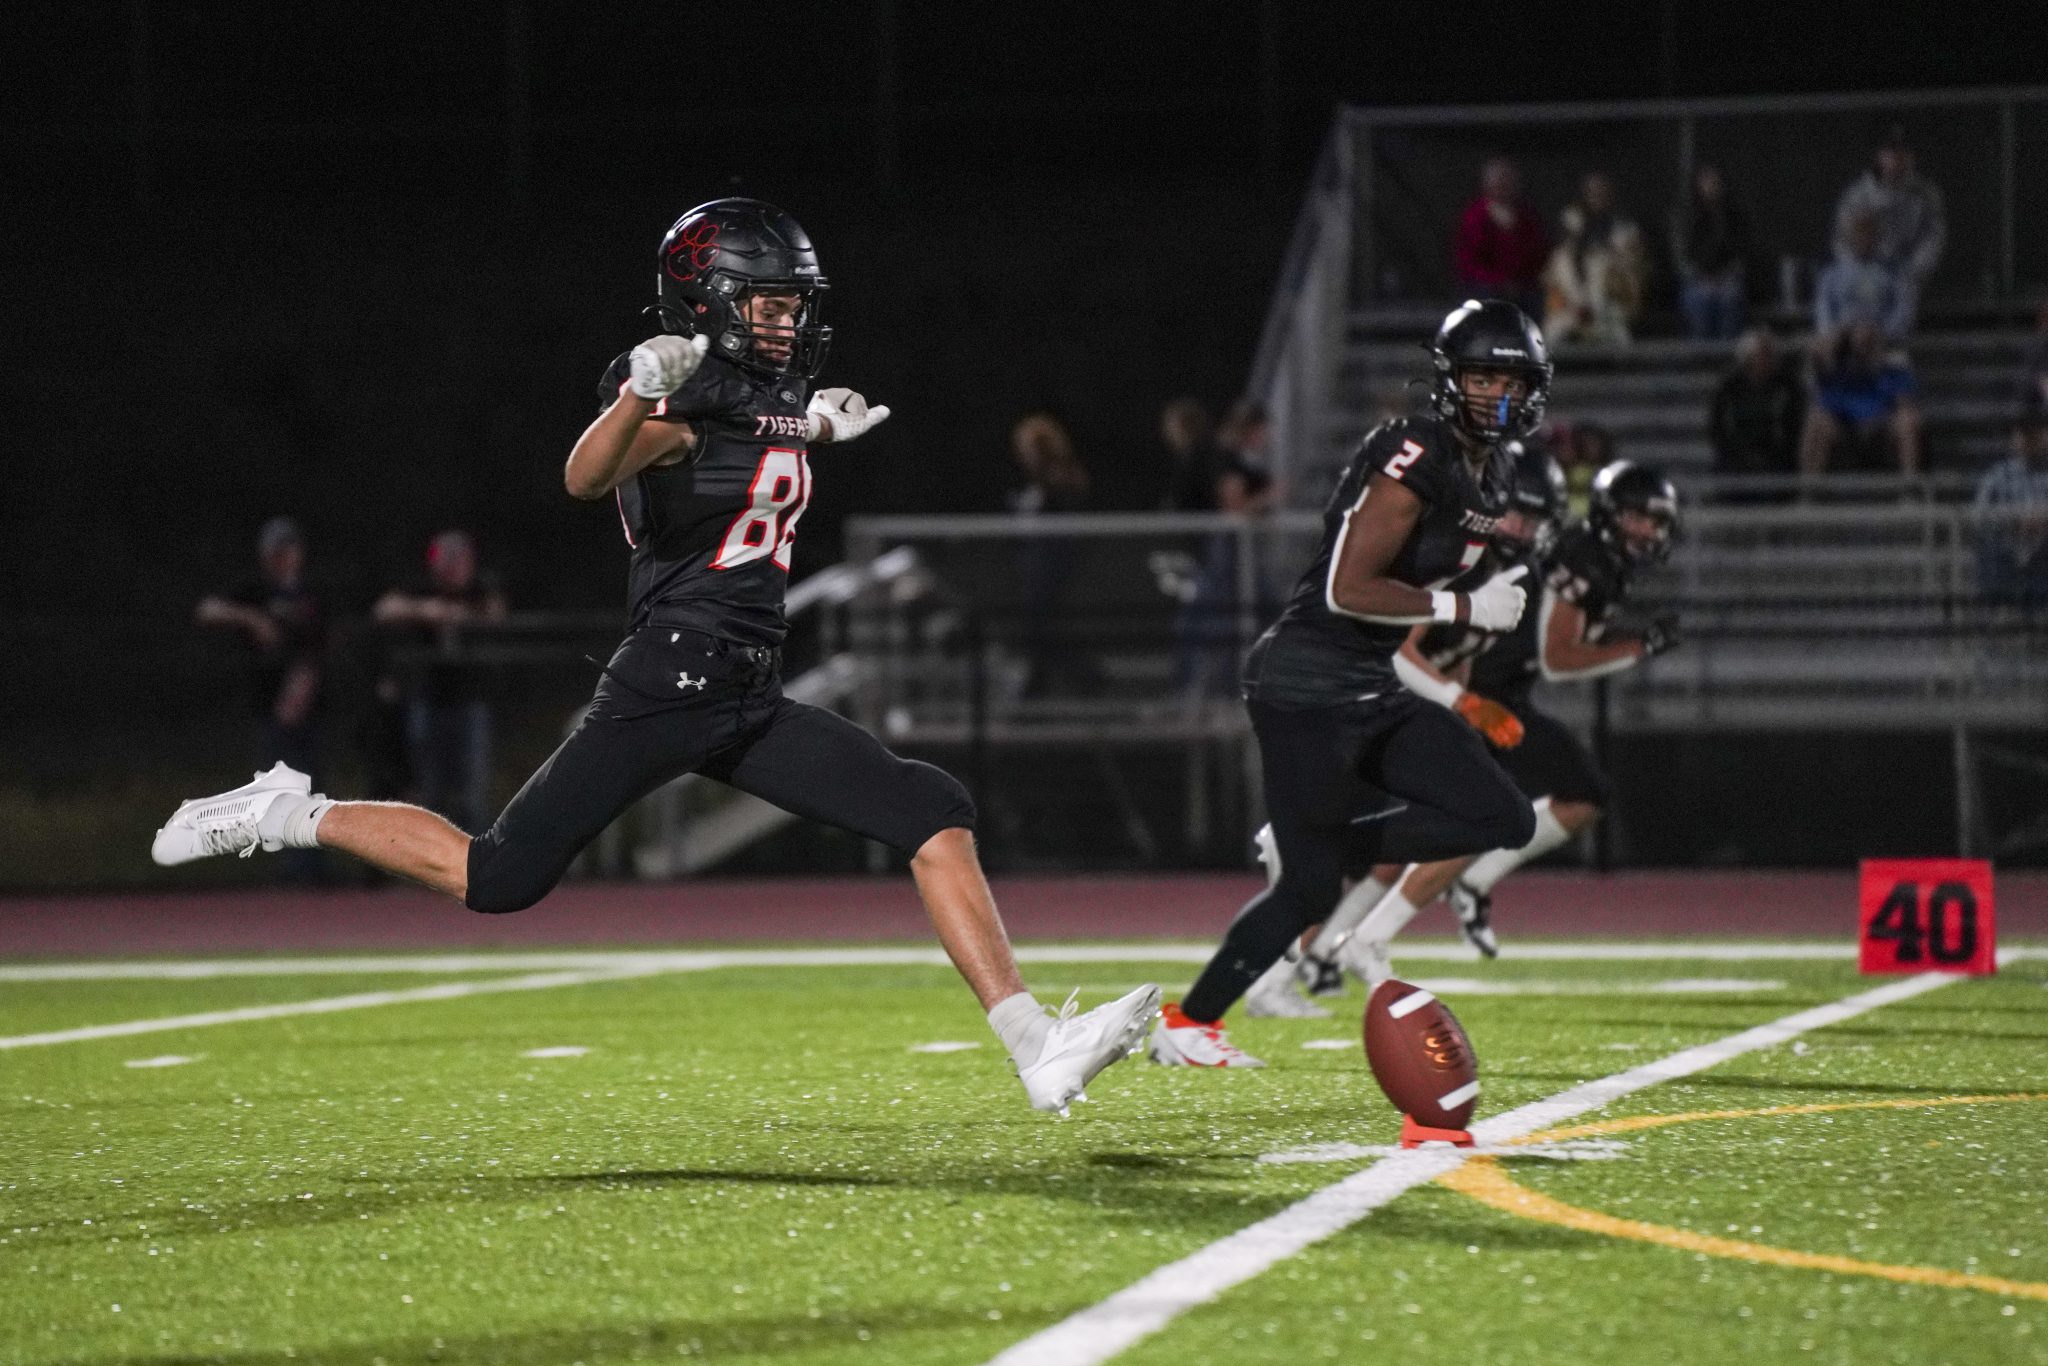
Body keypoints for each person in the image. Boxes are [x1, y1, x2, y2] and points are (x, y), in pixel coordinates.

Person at [152, 198, 1159, 1116]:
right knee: (496, 877)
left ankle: (1035, 1045)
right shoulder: (673, 385)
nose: (787, 321)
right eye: (769, 302)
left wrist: (812, 421)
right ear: (711, 298)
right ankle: (285, 811)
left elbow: (753, 436)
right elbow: (585, 474)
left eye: (792, 304)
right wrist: (640, 395)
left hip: (748, 692)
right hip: (671, 680)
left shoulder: (762, 391)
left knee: (931, 809)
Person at [1147, 300, 1544, 1068]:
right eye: (1482, 378)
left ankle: (1312, 837)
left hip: (1373, 684)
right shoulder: (1415, 453)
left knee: (1504, 816)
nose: (1498, 396)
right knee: (1308, 893)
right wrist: (1465, 606)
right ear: (1450, 379)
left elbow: (1425, 580)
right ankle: (1188, 1024)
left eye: (1512, 382)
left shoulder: (1493, 474)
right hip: (1307, 684)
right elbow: (1347, 588)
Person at [373, 530, 509, 835]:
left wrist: (462, 615)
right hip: (427, 699)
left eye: (460, 560)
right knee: (428, 789)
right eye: (447, 560)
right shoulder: (423, 588)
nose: (453, 567)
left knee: (471, 792)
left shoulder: (479, 587)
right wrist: (426, 611)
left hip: (470, 701)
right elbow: (384, 608)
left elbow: (496, 612)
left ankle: (474, 854)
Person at [194, 515, 327, 813]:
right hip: (267, 701)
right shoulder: (254, 589)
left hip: (310, 702)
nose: (282, 559)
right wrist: (252, 619)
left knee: (312, 788)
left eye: (287, 551)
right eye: (275, 552)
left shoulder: (312, 590)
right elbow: (207, 610)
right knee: (273, 787)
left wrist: (303, 684)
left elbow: (325, 641)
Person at [1008, 412, 1098, 698]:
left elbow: (1066, 519)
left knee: (1047, 628)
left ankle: (1089, 681)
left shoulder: (1061, 477)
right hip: (1035, 565)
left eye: (1029, 449)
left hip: (1054, 565)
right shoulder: (1035, 482)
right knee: (1041, 629)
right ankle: (1037, 690)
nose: (1024, 455)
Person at [1832, 131, 1945, 333]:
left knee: (1902, 309)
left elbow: (1933, 238)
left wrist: (1913, 271)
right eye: (1892, 152)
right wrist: (1859, 269)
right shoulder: (1858, 194)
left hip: (1907, 274)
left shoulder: (1926, 194)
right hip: (1864, 274)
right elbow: (1842, 240)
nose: (1898, 158)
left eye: (1904, 152)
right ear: (1880, 156)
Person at [1799, 321, 1922, 478]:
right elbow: (1826, 400)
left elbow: (1905, 403)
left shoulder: (1894, 370)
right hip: (1845, 426)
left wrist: (1877, 368)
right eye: (1861, 342)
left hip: (1882, 427)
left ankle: (1909, 484)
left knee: (1908, 419)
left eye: (1870, 342)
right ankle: (1809, 487)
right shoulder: (1837, 370)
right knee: (1816, 420)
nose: (1866, 348)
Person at [1543, 172, 1647, 346]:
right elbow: (1553, 280)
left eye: (1602, 192)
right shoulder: (1567, 242)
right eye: (1592, 193)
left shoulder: (1626, 231)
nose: (1598, 197)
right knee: (1557, 332)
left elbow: (1634, 274)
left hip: (1610, 308)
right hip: (1571, 309)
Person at [1971, 405, 2048, 610]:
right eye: (2024, 434)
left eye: (2036, 434)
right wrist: (2014, 523)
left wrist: (2042, 521)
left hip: (2043, 556)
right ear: (2015, 437)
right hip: (2006, 553)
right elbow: (1978, 518)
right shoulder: (1997, 476)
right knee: (1992, 556)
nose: (2029, 440)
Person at [1453, 159, 1549, 318]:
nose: (1503, 187)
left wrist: (1520, 280)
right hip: (1485, 286)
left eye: (1507, 182)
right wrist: (1498, 281)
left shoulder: (1526, 216)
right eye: (1499, 182)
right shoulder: (1475, 216)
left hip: (1523, 286)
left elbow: (1536, 253)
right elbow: (1468, 261)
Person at [1710, 328, 1806, 480]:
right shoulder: (1729, 387)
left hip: (1777, 455)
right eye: (1760, 355)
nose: (1764, 360)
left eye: (1769, 355)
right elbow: (1718, 427)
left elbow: (1793, 426)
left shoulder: (1788, 387)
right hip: (1738, 455)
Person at [1672, 163, 1750, 341]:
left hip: (1727, 278)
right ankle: (1700, 354)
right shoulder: (1686, 218)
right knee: (1699, 301)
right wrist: (1703, 279)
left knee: (1731, 297)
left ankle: (1727, 353)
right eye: (1706, 182)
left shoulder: (1734, 217)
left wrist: (1722, 278)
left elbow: (1741, 255)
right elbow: (1681, 259)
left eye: (1715, 182)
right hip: (1696, 280)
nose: (1711, 187)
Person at [1815, 212, 1911, 343]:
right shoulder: (1832, 273)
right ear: (1848, 237)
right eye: (1859, 233)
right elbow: (1823, 309)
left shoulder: (1893, 273)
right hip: (1841, 339)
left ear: (1878, 237)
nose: (1864, 239)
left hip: (1881, 339)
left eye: (1869, 233)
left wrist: (1884, 333)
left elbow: (1903, 308)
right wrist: (1831, 333)